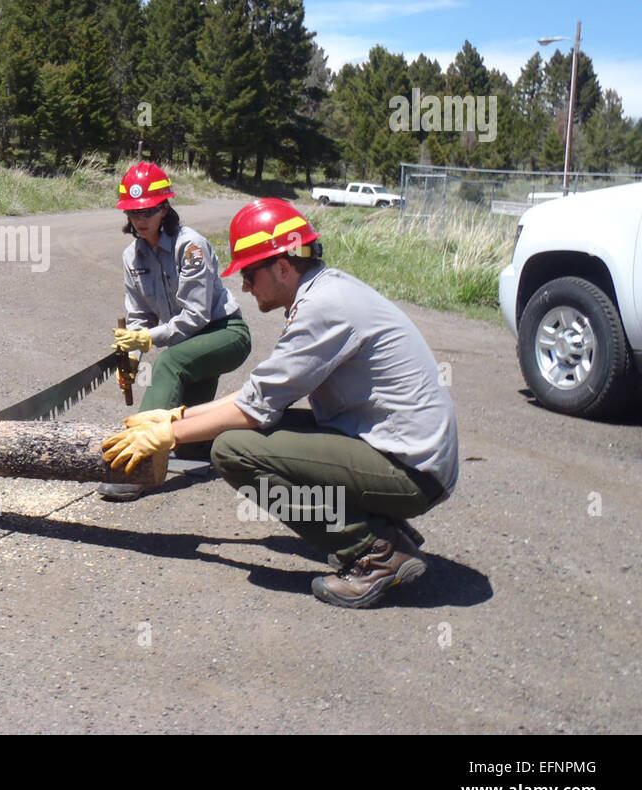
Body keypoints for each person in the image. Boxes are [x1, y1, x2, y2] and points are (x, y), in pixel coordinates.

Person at [102, 198, 458, 608]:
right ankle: (382, 528)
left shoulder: (323, 309)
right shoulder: (326, 292)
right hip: (402, 455)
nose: (246, 287)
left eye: (250, 274)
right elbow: (260, 394)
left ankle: (375, 552)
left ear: (284, 267)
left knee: (234, 451)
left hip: (411, 471)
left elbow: (251, 412)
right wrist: (177, 415)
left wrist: (169, 435)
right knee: (255, 430)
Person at [100, 161, 251, 501]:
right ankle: (243, 443)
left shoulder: (190, 245)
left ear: (165, 207)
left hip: (224, 333)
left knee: (169, 364)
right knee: (192, 441)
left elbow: (196, 314)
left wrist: (150, 339)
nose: (140, 219)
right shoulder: (132, 255)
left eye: (149, 211)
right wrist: (132, 358)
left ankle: (138, 465)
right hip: (190, 343)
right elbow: (138, 315)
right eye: (133, 212)